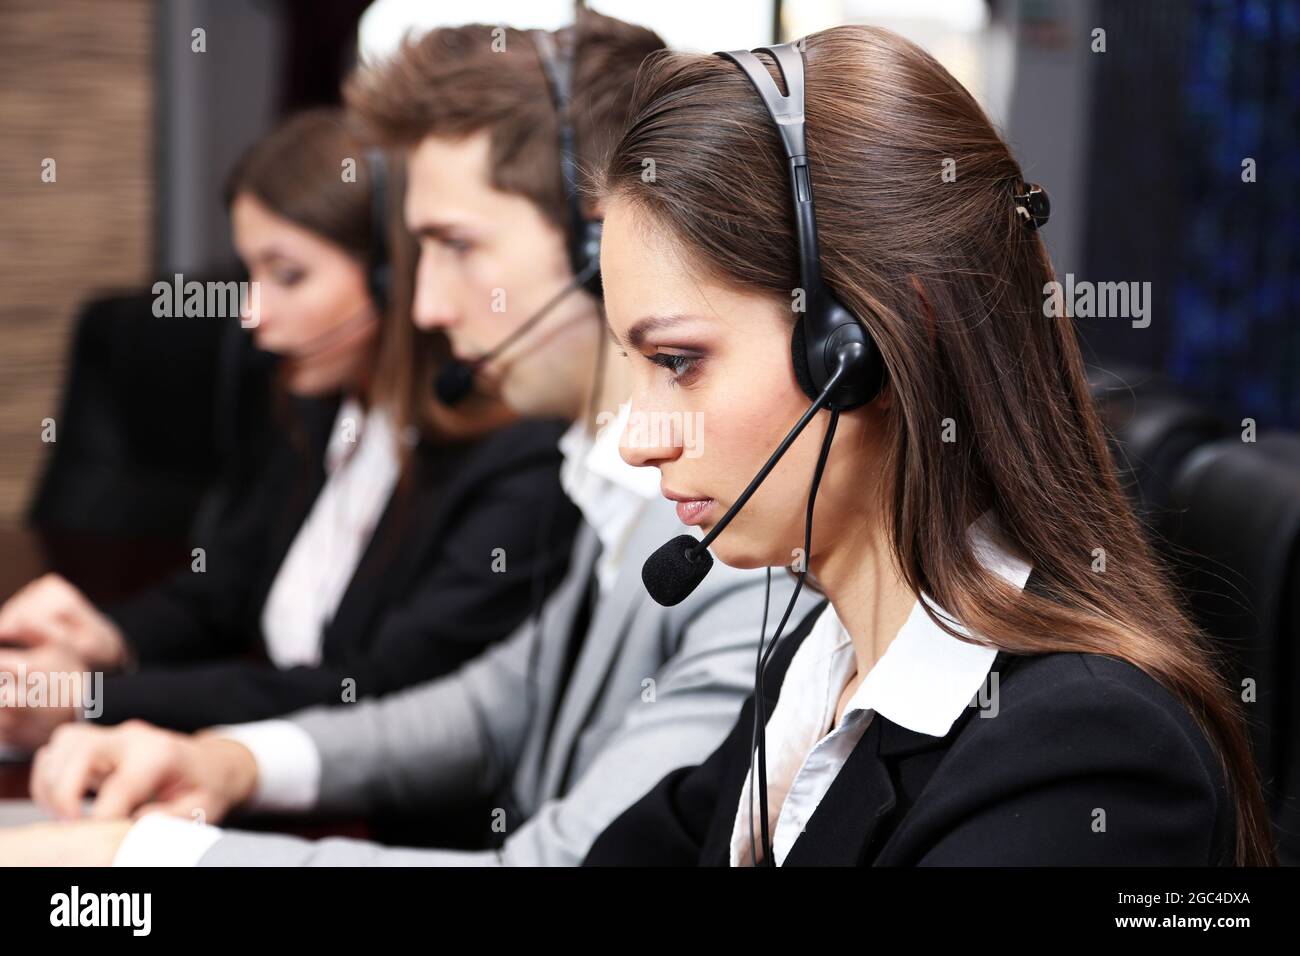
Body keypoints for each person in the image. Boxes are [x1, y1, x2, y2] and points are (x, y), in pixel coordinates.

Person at [0, 12, 819, 866]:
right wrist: (230, 760)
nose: (425, 308)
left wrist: (135, 858)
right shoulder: (608, 483)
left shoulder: (738, 536)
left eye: (456, 246)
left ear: (595, 244)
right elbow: (486, 709)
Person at [583, 26, 1275, 865]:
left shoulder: (1088, 759)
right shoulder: (823, 661)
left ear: (864, 346)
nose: (637, 443)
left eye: (678, 362)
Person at [0, 109, 578, 748]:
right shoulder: (316, 404)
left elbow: (372, 689)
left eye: (288, 275)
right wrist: (104, 638)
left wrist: (90, 697)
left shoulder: (516, 465)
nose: (252, 314)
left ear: (392, 276)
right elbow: (221, 590)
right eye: (250, 273)